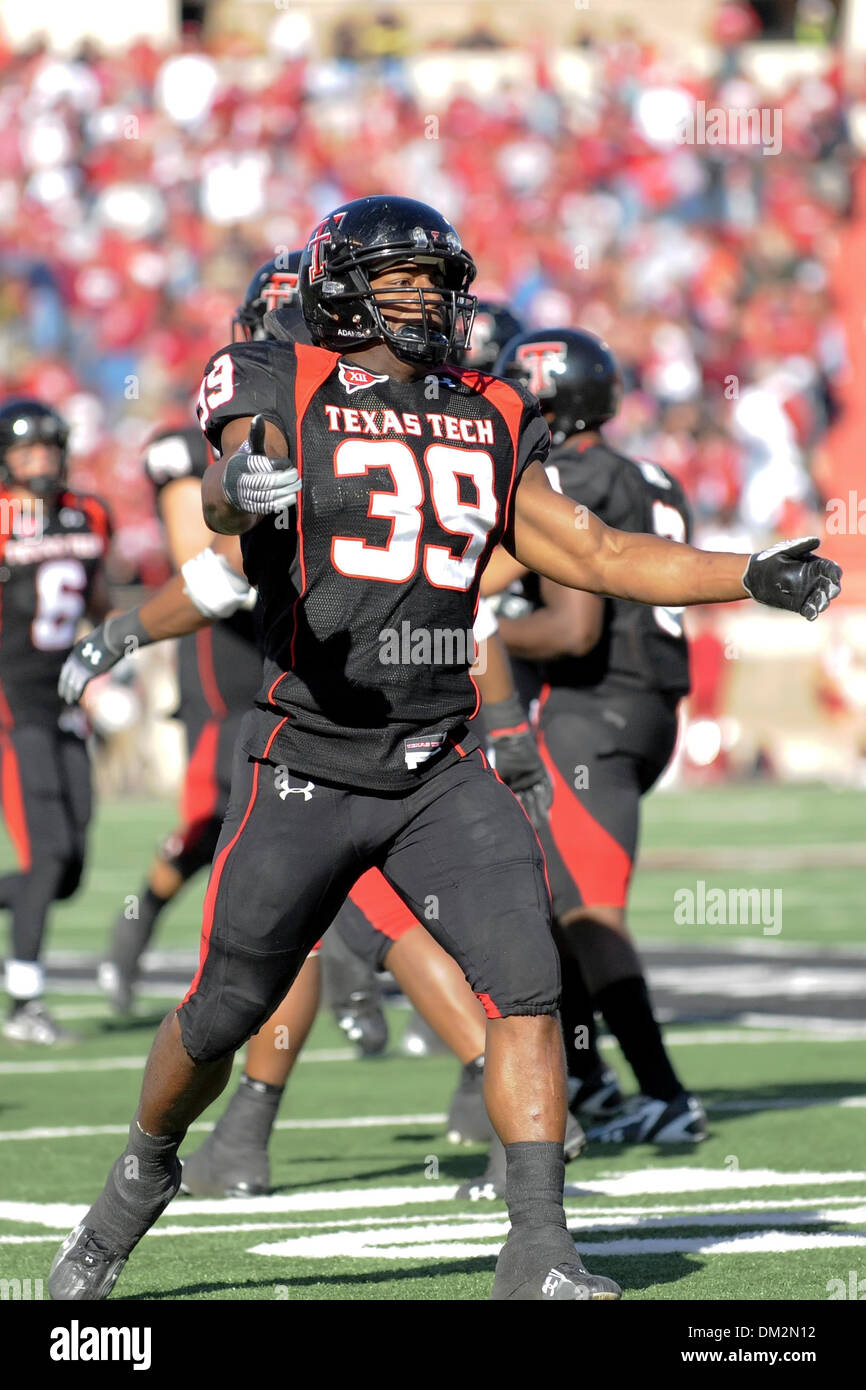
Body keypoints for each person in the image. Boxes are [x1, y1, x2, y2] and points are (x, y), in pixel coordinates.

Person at [49, 194, 841, 1304]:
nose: (428, 297)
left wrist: (745, 574)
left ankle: (539, 1251)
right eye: (403, 277)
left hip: (436, 760)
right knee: (224, 1006)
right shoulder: (278, 375)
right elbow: (239, 469)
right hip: (308, 758)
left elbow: (599, 550)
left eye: (438, 278)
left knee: (526, 990)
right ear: (339, 283)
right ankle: (137, 1177)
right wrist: (243, 489)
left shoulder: (487, 408)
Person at [490, 326, 706, 1144]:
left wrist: (477, 629)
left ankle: (664, 1093)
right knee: (552, 901)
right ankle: (589, 1077)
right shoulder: (649, 474)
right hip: (649, 711)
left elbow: (574, 628)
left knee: (586, 914)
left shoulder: (567, 474)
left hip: (592, 714)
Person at [0, 399, 112, 1044]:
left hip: (68, 696)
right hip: (13, 699)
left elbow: (95, 600)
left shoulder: (90, 510)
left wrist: (110, 662)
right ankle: (24, 1001)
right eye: (26, 450)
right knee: (45, 854)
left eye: (48, 447)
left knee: (68, 869)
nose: (39, 460)